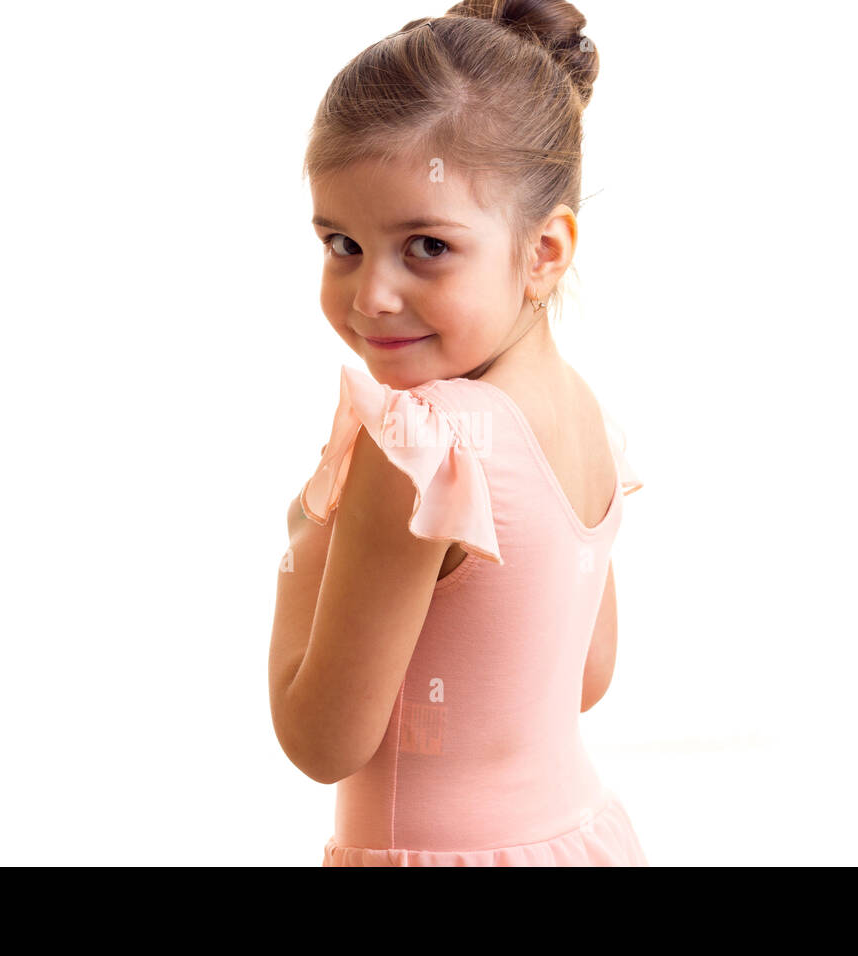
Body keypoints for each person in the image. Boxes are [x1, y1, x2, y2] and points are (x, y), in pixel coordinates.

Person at [269, 0, 649, 866]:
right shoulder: (584, 415)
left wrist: (306, 540)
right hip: (584, 841)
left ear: (544, 252)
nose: (372, 296)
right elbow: (586, 678)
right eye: (342, 243)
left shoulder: (424, 448)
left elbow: (323, 741)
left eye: (427, 247)